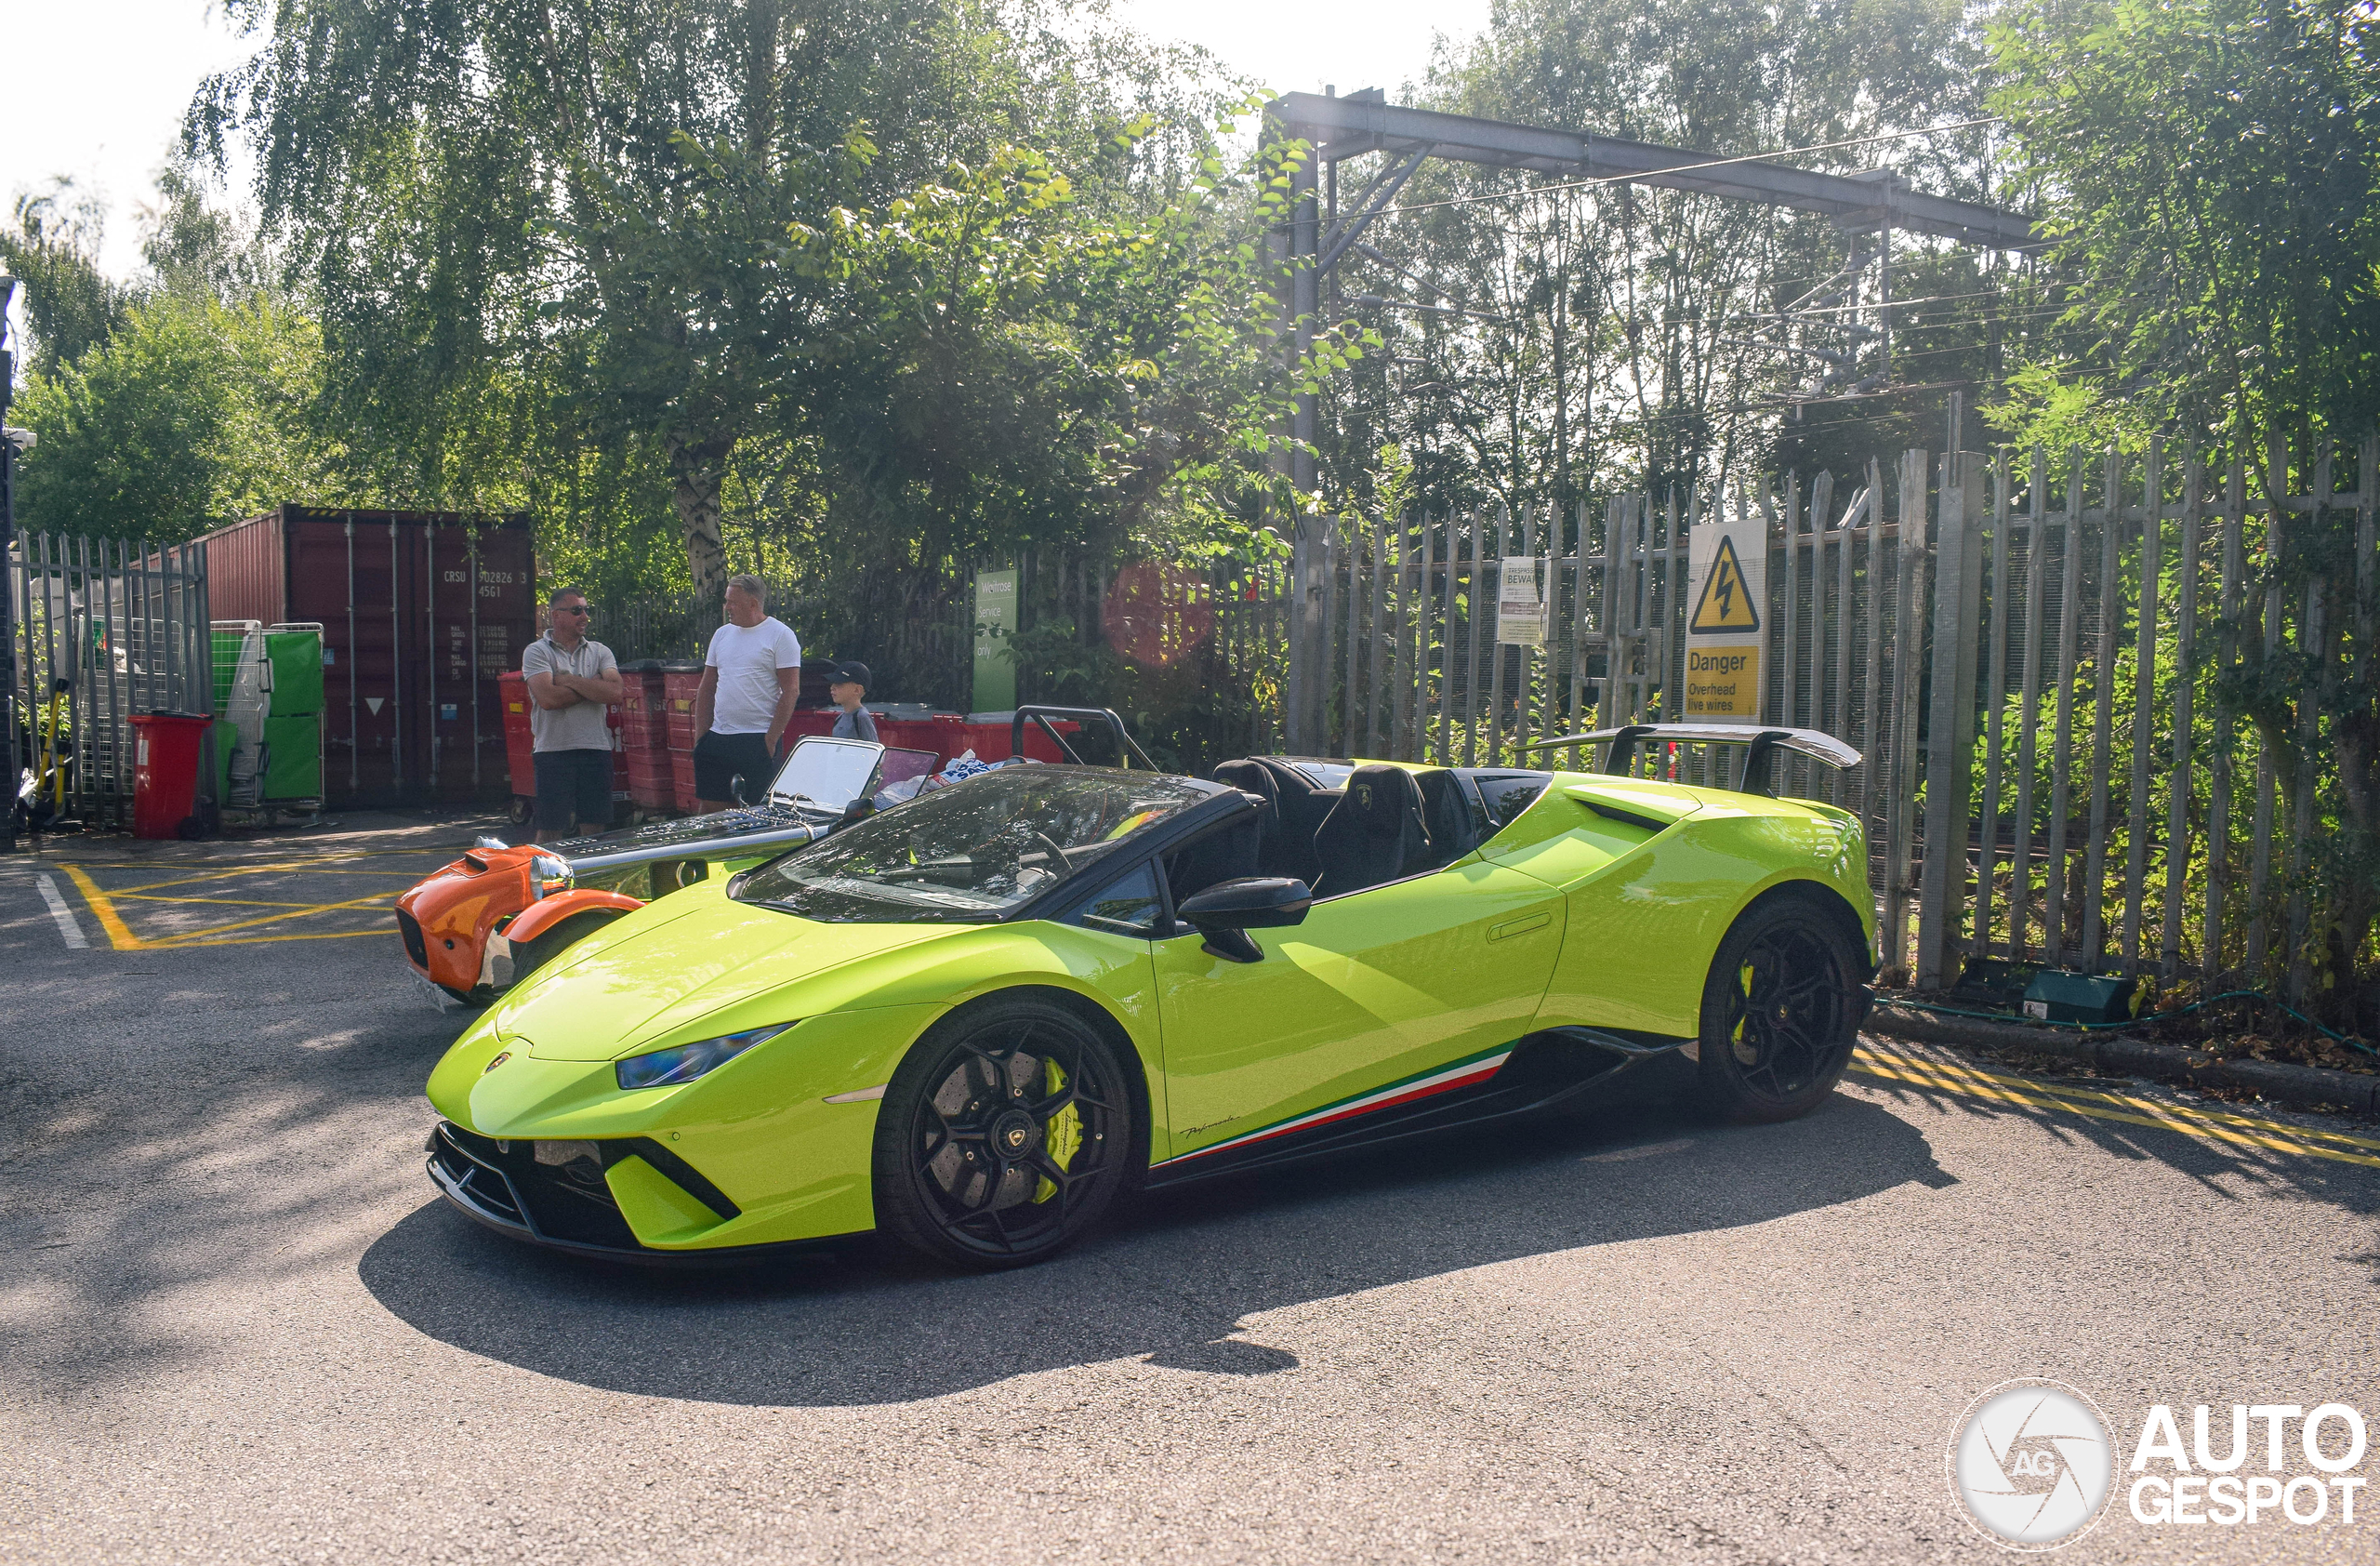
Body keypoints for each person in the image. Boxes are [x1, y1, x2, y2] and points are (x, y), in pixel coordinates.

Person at [520, 587, 623, 841]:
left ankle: (590, 867)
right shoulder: (537, 651)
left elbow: (615, 693)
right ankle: (544, 869)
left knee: (595, 830)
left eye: (586, 610)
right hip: (553, 751)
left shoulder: (600, 651)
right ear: (556, 615)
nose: (585, 616)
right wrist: (592, 686)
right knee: (550, 828)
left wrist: (569, 680)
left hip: (595, 749)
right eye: (577, 610)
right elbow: (548, 699)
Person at [693, 574, 801, 809]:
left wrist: (771, 740)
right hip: (717, 737)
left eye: (732, 602)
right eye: (726, 601)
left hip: (757, 739)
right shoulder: (722, 635)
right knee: (710, 813)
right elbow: (707, 686)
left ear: (753, 604)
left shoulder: (781, 635)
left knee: (755, 814)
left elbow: (791, 690)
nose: (726, 607)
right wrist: (701, 737)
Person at [824, 659, 878, 741]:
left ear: (857, 690)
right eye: (833, 683)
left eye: (839, 684)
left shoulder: (862, 717)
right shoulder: (839, 718)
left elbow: (872, 747)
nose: (832, 687)